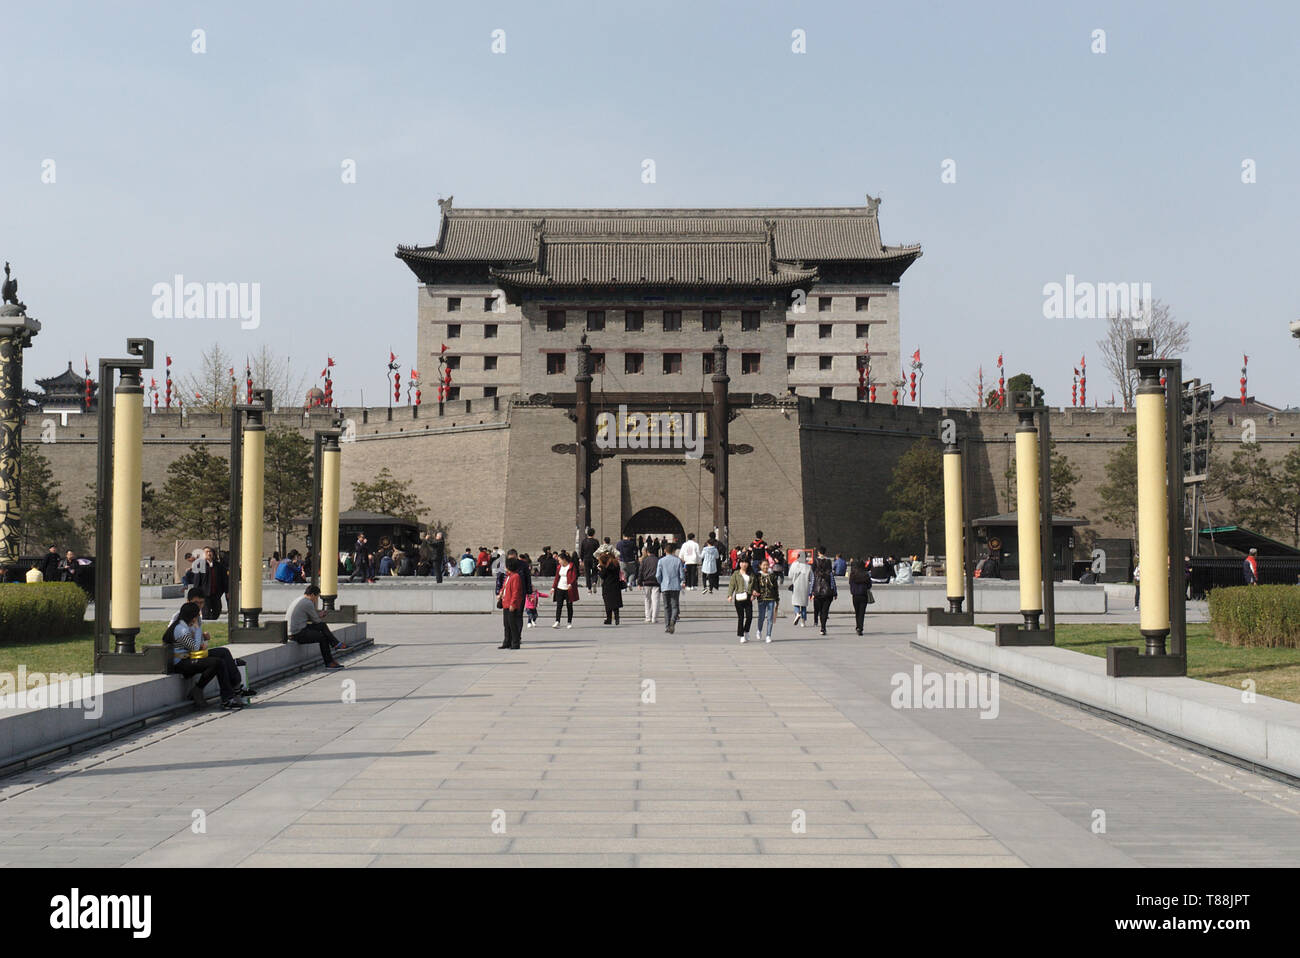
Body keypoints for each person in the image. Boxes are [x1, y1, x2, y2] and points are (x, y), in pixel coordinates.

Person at [166, 601, 248, 710]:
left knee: (223, 652)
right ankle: (226, 698)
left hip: (190, 656)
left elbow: (198, 644)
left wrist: (199, 634)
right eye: (196, 615)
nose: (198, 617)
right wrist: (198, 627)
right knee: (217, 662)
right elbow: (195, 647)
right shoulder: (180, 629)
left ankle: (236, 687)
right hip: (181, 663)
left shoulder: (185, 625)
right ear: (192, 616)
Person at [287, 585, 345, 668]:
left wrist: (318, 615)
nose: (316, 600)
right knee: (323, 637)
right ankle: (329, 661)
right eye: (317, 597)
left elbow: (310, 618)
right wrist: (320, 616)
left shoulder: (301, 599)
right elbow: (316, 620)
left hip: (294, 630)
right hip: (297, 633)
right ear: (312, 595)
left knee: (322, 626)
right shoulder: (308, 603)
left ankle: (336, 644)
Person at [655, 541, 685, 634]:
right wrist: (681, 581)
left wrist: (661, 582)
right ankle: (673, 621)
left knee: (666, 606)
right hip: (675, 586)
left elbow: (657, 575)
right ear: (674, 551)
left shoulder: (661, 561)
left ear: (665, 550)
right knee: (675, 606)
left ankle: (667, 626)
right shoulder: (678, 560)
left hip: (665, 587)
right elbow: (681, 575)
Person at [498, 557, 525, 649]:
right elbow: (504, 587)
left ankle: (515, 642)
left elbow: (516, 592)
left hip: (511, 604)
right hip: (505, 602)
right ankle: (507, 641)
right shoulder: (508, 576)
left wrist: (513, 604)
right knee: (506, 624)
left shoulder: (516, 577)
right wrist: (500, 594)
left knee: (513, 624)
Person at [753, 557, 781, 643]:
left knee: (770, 618)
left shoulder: (772, 576)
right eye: (764, 565)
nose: (765, 567)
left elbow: (776, 588)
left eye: (767, 565)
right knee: (761, 617)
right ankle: (759, 630)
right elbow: (755, 586)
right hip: (761, 599)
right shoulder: (757, 575)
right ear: (760, 566)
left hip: (771, 598)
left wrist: (777, 599)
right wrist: (755, 593)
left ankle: (768, 635)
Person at [727, 557, 755, 643]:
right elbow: (732, 585)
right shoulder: (736, 574)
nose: (744, 564)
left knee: (749, 616)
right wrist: (730, 595)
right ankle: (741, 635)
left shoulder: (751, 574)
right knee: (741, 617)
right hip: (739, 597)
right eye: (742, 562)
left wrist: (754, 594)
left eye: (746, 562)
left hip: (748, 597)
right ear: (739, 564)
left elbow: (754, 585)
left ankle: (746, 631)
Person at [810, 548, 837, 635]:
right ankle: (823, 628)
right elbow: (832, 579)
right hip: (827, 591)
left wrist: (811, 592)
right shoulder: (829, 562)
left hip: (817, 591)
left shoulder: (815, 563)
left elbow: (813, 579)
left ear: (818, 552)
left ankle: (819, 624)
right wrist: (835, 591)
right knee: (825, 611)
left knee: (820, 609)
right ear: (825, 552)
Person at [551, 550, 579, 628]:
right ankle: (557, 621)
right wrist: (553, 587)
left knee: (569, 605)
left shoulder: (571, 566)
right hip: (560, 587)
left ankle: (569, 622)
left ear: (564, 559)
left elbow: (574, 576)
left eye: (559, 560)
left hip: (568, 588)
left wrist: (570, 584)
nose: (559, 561)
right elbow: (556, 578)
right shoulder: (559, 567)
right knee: (559, 605)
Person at [848, 559, 874, 635]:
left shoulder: (852, 574)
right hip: (863, 595)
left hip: (855, 595)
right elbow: (869, 585)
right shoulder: (866, 574)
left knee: (857, 612)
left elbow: (850, 583)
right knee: (862, 613)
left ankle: (857, 626)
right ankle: (860, 628)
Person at [598, 551, 623, 625]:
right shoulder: (616, 564)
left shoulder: (606, 566)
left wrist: (600, 570)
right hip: (616, 585)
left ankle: (609, 619)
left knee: (608, 603)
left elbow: (603, 576)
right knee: (615, 603)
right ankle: (617, 618)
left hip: (607, 586)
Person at [638, 545, 661, 624]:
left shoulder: (644, 560)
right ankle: (654, 618)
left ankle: (648, 618)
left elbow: (640, 571)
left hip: (646, 582)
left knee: (647, 600)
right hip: (656, 582)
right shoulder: (658, 560)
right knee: (656, 600)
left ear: (647, 552)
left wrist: (639, 582)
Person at [788, 551, 811, 627]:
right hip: (805, 586)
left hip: (796, 586)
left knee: (796, 603)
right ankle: (803, 622)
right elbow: (811, 578)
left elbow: (790, 576)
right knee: (803, 605)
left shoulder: (794, 565)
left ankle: (797, 613)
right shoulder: (808, 567)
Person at [580, 527, 600, 592]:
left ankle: (589, 589)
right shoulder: (596, 541)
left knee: (587, 574)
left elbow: (582, 551)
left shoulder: (584, 541)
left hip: (586, 559)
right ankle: (594, 582)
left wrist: (581, 560)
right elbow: (598, 551)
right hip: (594, 559)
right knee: (595, 572)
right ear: (593, 534)